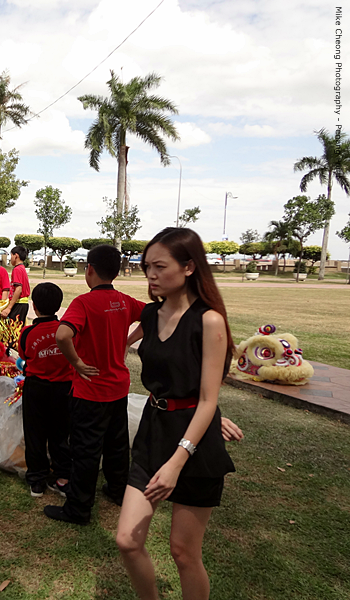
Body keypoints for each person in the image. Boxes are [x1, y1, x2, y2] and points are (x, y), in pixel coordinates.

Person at [115, 227, 237, 600]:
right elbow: (118, 344)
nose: (149, 274)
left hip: (194, 445)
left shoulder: (209, 320)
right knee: (126, 541)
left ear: (188, 267)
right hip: (154, 431)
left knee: (184, 553)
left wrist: (177, 461)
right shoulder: (150, 315)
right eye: (145, 266)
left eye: (158, 266)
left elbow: (207, 399)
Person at [44, 244, 145, 525]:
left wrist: (75, 362)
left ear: (89, 270)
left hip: (90, 391)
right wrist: (128, 340)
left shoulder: (84, 303)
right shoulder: (124, 301)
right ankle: (117, 490)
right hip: (118, 388)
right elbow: (153, 314)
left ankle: (78, 509)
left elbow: (63, 334)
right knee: (115, 445)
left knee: (85, 451)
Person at [17, 282, 73, 497]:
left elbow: (24, 357)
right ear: (58, 306)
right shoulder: (67, 331)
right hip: (64, 389)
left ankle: (37, 480)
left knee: (35, 434)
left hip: (36, 389)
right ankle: (62, 477)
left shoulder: (28, 332)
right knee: (61, 434)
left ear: (34, 305)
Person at [0, 245, 31, 329]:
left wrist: (9, 308)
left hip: (19, 304)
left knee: (14, 333)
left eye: (11, 255)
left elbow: (18, 289)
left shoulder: (17, 269)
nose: (10, 258)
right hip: (22, 304)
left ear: (16, 256)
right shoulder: (22, 268)